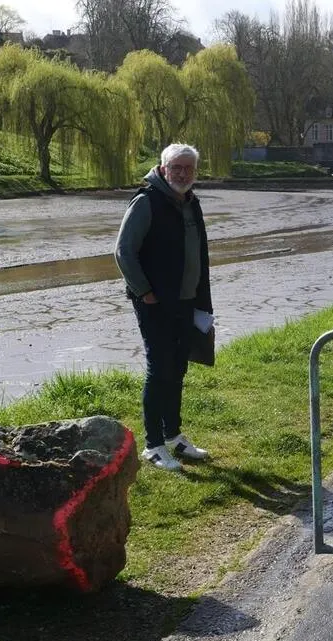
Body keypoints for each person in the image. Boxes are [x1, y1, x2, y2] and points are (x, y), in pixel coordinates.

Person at [114, 143, 213, 471]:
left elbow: (198, 255)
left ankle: (173, 436)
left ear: (195, 172)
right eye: (177, 168)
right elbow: (123, 251)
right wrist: (145, 292)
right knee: (159, 370)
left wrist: (201, 301)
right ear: (163, 168)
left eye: (189, 168)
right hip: (154, 303)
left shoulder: (190, 202)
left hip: (185, 301)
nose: (183, 173)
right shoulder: (147, 201)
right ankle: (153, 445)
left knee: (178, 367)